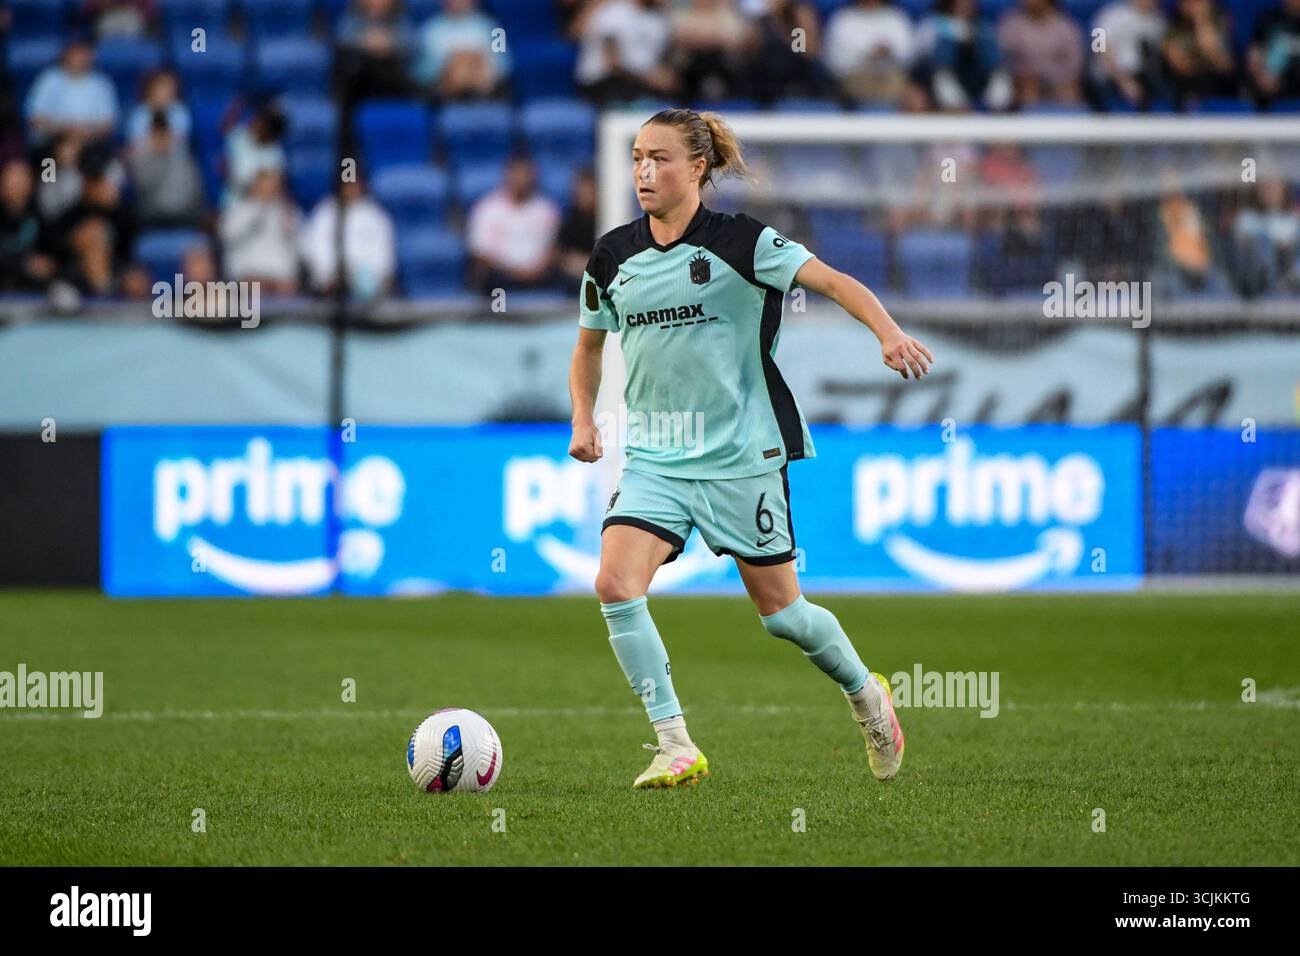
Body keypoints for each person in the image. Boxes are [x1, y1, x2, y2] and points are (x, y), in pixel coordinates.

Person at [566, 109, 932, 789]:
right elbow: (588, 346)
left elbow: (834, 282)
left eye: (662, 159)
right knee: (615, 585)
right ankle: (674, 743)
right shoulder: (612, 255)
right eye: (639, 158)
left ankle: (867, 696)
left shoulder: (745, 242)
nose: (645, 171)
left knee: (784, 618)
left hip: (743, 456)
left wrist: (886, 333)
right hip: (656, 458)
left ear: (699, 168)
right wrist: (584, 419)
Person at [466, 155, 561, 293]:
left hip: (538, 275)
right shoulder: (488, 208)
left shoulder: (546, 209)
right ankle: (495, 312)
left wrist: (534, 271)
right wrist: (515, 272)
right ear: (508, 175)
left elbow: (554, 248)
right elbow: (481, 253)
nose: (521, 179)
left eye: (526, 174)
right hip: (501, 275)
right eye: (517, 174)